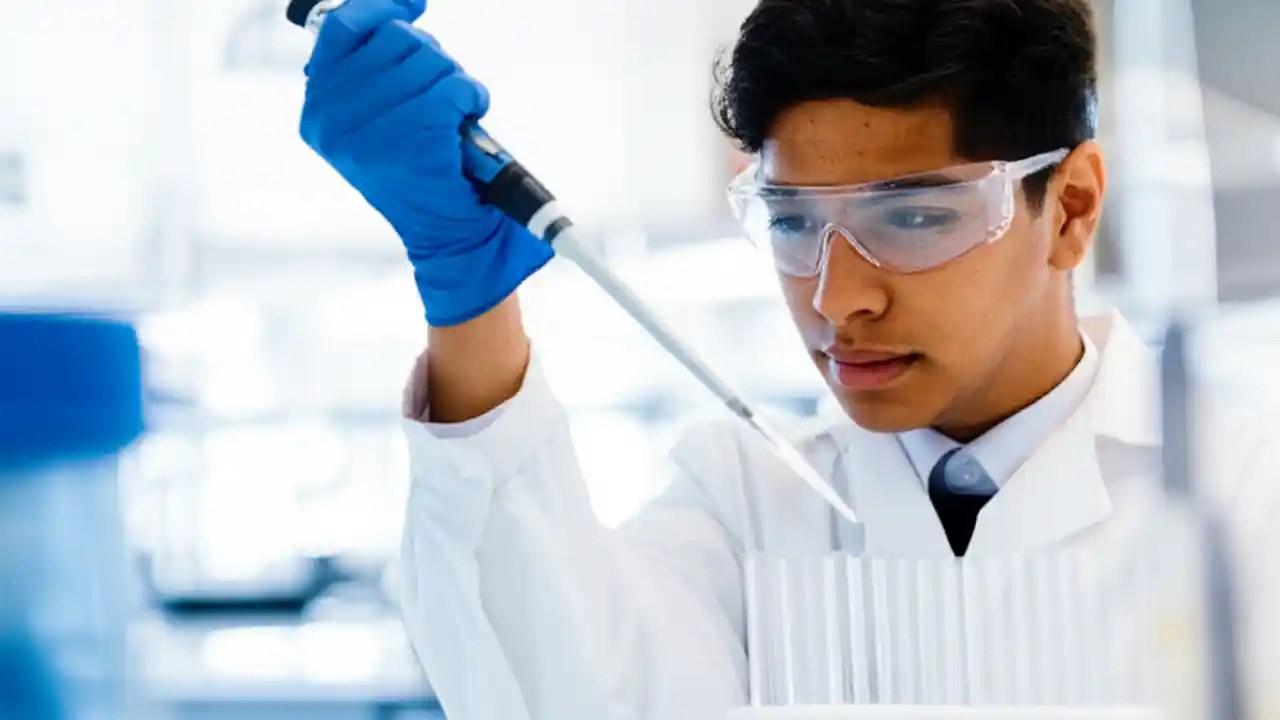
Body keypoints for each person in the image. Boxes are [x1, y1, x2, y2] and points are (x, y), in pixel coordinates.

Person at [298, 0, 1279, 717]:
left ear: (1067, 208)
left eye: (912, 216)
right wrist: (467, 291)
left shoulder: (1247, 491)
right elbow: (546, 685)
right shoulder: (741, 501)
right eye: (791, 222)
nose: (833, 294)